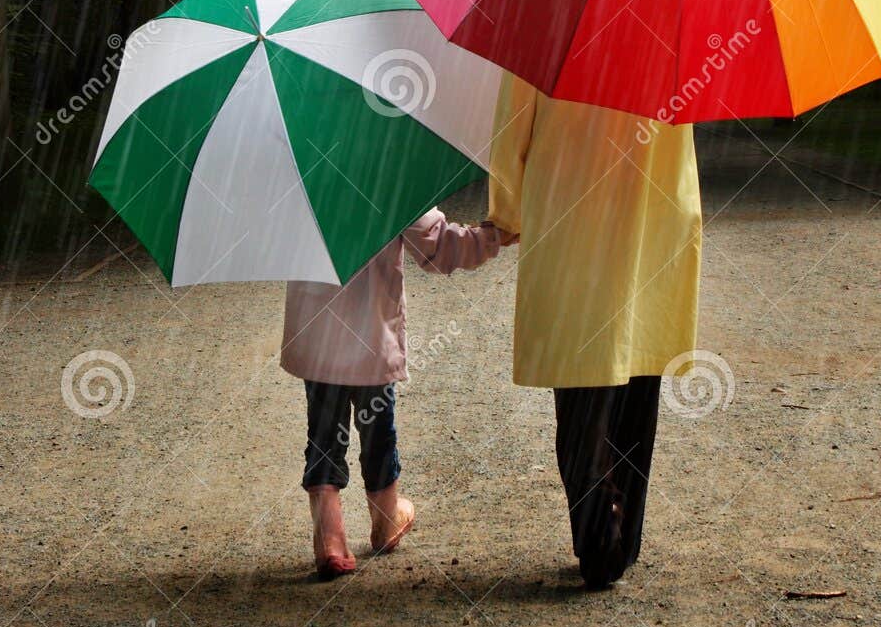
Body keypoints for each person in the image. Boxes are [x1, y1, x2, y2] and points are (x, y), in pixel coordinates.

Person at [487, 72, 702, 590]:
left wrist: (508, 213)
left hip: (572, 223)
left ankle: (599, 538)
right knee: (636, 386)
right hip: (651, 222)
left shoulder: (552, 18)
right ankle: (621, 538)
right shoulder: (673, 30)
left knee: (583, 387)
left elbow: (512, 129)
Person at [281, 207, 515, 579]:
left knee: (324, 434)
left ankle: (329, 538)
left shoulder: (299, 178)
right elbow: (438, 247)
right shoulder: (389, 170)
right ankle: (386, 520)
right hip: (372, 336)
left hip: (316, 336)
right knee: (377, 429)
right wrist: (493, 236)